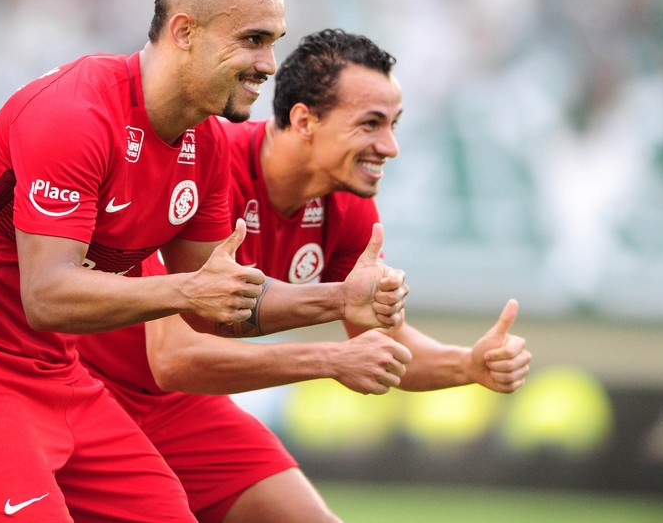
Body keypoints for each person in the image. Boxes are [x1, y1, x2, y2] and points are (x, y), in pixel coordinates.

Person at [0, 0, 408, 523]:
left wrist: (339, 299)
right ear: (184, 32)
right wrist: (189, 291)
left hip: (58, 375)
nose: (269, 64)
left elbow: (215, 309)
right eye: (253, 40)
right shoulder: (76, 114)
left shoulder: (205, 145)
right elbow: (47, 296)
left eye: (273, 42)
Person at [76, 28, 534, 523]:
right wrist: (329, 359)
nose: (390, 146)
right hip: (82, 390)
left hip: (177, 408)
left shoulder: (349, 209)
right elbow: (174, 357)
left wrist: (468, 365)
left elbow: (384, 344)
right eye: (371, 124)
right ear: (304, 120)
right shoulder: (202, 163)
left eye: (394, 125)